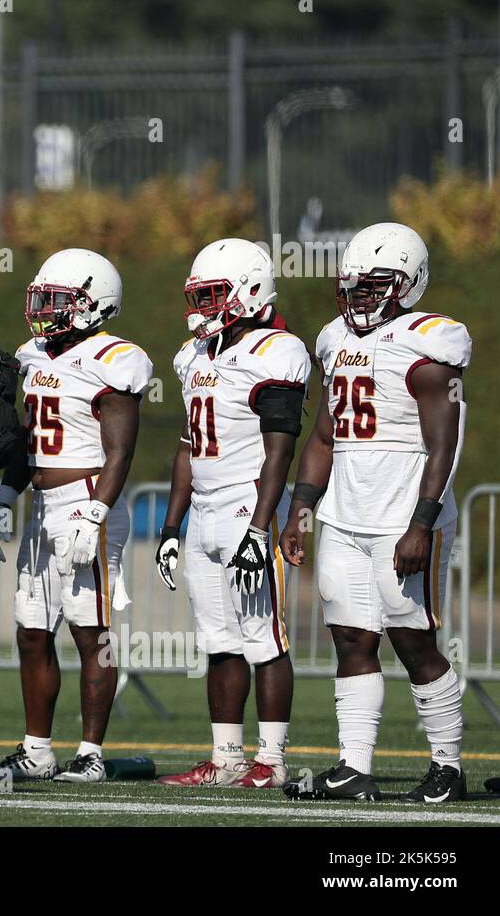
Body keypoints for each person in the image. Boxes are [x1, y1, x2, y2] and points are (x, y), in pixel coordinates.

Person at [279, 222, 471, 803]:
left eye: (374, 285)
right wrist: (301, 511)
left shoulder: (431, 341)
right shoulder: (334, 339)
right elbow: (323, 437)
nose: (359, 297)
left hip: (403, 514)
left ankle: (447, 768)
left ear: (409, 283)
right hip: (344, 514)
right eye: (354, 286)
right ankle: (353, 766)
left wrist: (422, 523)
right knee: (351, 640)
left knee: (413, 641)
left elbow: (446, 443)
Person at [0, 249, 151, 784]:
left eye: (58, 300)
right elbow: (28, 440)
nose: (44, 309)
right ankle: (37, 750)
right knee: (32, 630)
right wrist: (8, 494)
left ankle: (91, 752)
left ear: (92, 305)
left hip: (87, 500)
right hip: (41, 503)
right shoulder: (32, 354)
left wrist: (97, 513)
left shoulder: (114, 358)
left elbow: (121, 452)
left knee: (90, 629)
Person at [152, 239, 306, 788]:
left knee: (264, 638)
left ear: (251, 291)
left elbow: (280, 450)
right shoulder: (193, 356)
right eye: (199, 295)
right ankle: (225, 758)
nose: (202, 307)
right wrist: (172, 526)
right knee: (218, 642)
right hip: (205, 510)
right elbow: (187, 446)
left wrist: (260, 527)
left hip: (248, 502)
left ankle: (271, 759)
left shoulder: (277, 350)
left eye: (214, 295)